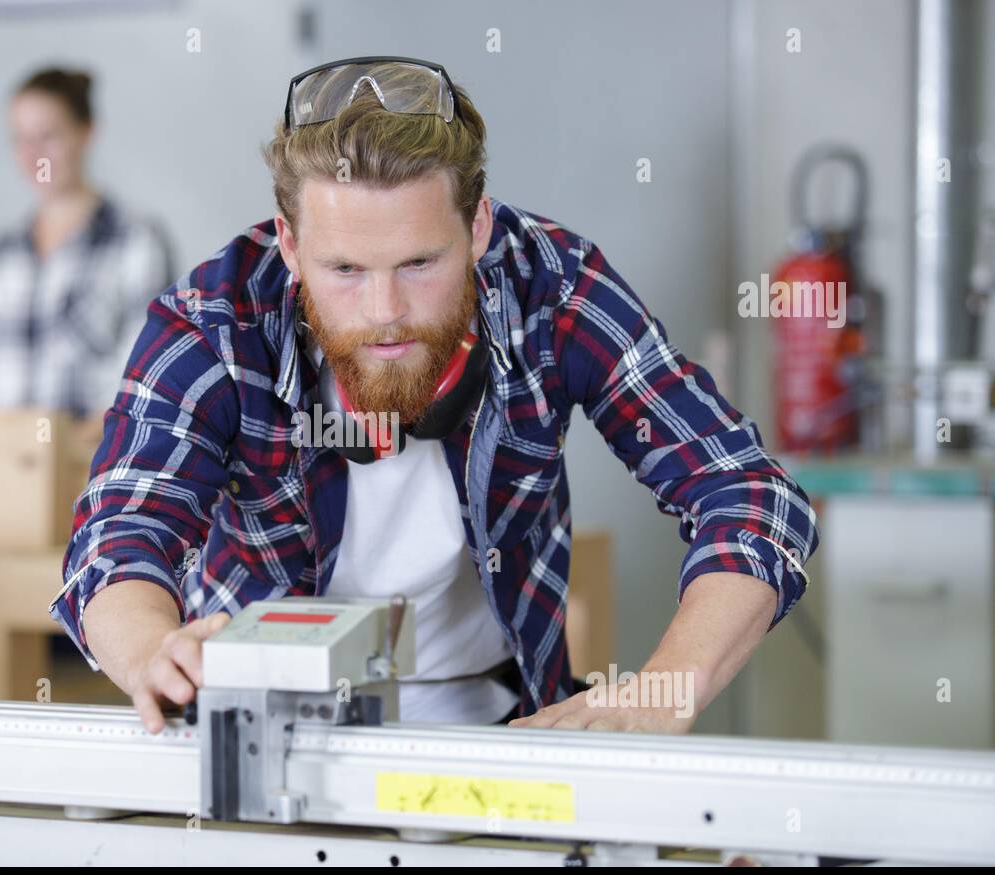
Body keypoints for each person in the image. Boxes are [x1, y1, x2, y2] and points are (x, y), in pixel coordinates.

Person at [49, 57, 819, 734]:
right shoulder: (212, 324)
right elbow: (120, 537)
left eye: (419, 262)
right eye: (345, 270)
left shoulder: (550, 286)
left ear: (479, 226)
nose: (384, 311)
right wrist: (154, 650)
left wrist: (664, 690)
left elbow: (747, 492)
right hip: (269, 734)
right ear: (289, 244)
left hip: (508, 731)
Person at [0, 67, 174, 426]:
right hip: (2, 468)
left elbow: (146, 379)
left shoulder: (135, 241)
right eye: (20, 139)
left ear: (86, 133)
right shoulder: (4, 253)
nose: (32, 155)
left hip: (90, 470)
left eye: (47, 136)